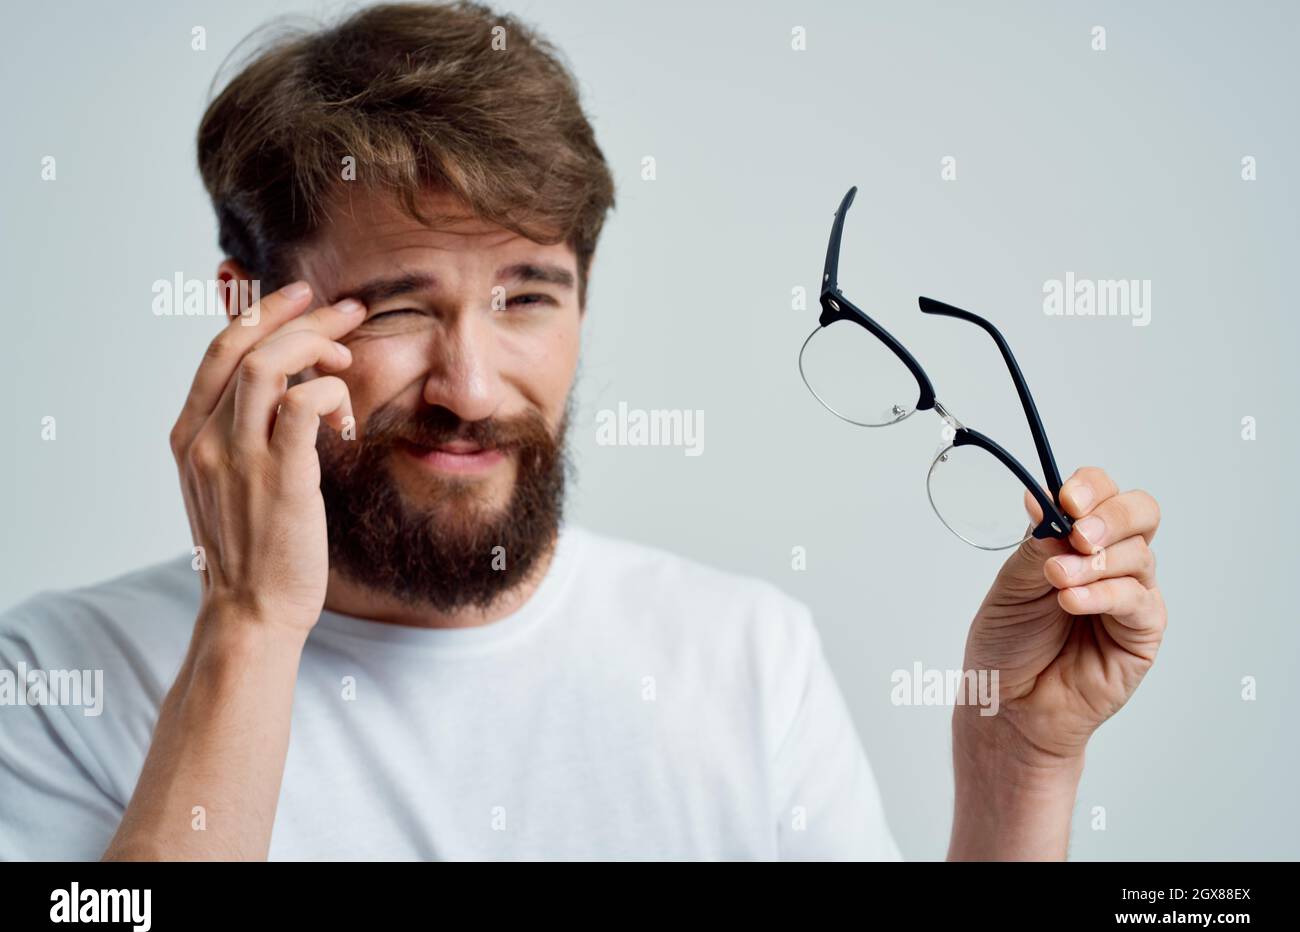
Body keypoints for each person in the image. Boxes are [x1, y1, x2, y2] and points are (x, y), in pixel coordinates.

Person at [0, 1, 1165, 861]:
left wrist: (1019, 765)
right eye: (399, 307)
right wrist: (251, 626)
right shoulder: (56, 679)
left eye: (526, 296)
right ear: (252, 316)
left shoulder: (746, 657)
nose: (470, 385)